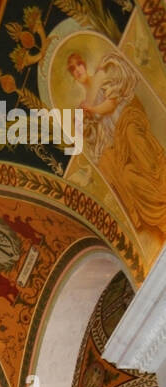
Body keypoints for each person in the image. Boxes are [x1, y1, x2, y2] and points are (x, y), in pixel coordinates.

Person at [67, 50, 166, 247]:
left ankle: (160, 180)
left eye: (78, 65)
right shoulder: (83, 103)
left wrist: (92, 110)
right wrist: (83, 122)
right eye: (72, 69)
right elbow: (93, 135)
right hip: (116, 140)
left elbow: (111, 106)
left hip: (128, 119)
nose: (77, 70)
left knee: (132, 136)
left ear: (84, 65)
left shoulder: (100, 79)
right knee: (123, 173)